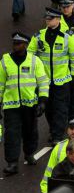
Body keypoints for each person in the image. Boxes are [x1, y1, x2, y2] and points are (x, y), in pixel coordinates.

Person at [1, 32, 49, 175]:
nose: (15, 46)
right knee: (11, 134)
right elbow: (0, 84)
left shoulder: (34, 61)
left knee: (30, 132)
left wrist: (42, 101)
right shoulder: (5, 61)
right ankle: (12, 163)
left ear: (26, 45)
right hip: (11, 106)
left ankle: (29, 153)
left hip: (30, 105)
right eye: (14, 43)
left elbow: (43, 82)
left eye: (18, 43)